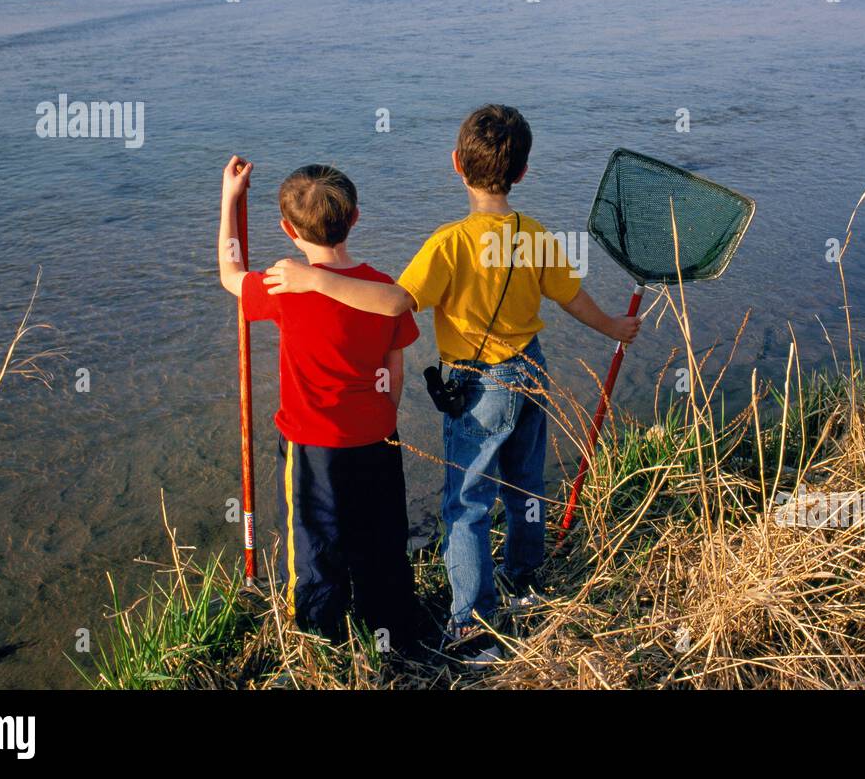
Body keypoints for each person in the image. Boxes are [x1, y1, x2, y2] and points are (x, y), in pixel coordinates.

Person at [261, 106, 639, 661]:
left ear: (456, 165)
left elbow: (394, 301)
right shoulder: (535, 236)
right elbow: (572, 299)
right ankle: (525, 584)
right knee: (525, 486)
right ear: (524, 172)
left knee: (467, 504)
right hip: (533, 372)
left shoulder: (449, 243)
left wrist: (311, 278)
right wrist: (614, 326)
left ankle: (471, 624)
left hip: (480, 386)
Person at [218, 155, 418, 649]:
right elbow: (395, 370)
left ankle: (319, 640)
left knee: (315, 544)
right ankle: (391, 632)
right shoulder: (380, 286)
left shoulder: (285, 288)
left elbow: (230, 271)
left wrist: (229, 201)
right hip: (378, 437)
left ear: (287, 229)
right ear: (355, 218)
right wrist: (383, 414)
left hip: (313, 446)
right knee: (382, 540)